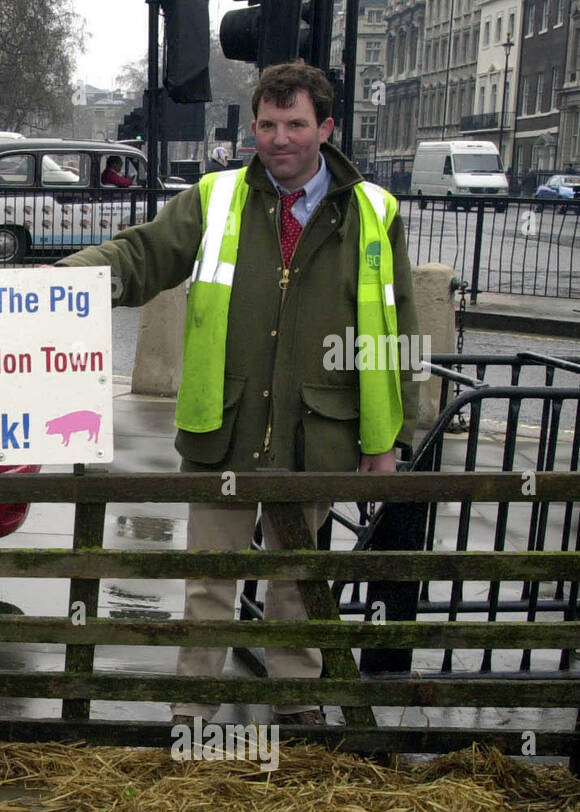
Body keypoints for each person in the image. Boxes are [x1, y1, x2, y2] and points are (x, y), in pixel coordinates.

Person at [58, 61, 420, 726]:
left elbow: (395, 330)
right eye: (267, 124)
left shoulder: (374, 212)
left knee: (300, 585)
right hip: (219, 428)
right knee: (207, 584)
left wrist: (388, 438)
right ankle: (192, 712)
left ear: (326, 127)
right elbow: (142, 256)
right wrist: (64, 280)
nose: (280, 138)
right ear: (253, 126)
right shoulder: (215, 197)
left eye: (295, 124)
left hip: (317, 431)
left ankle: (297, 708)